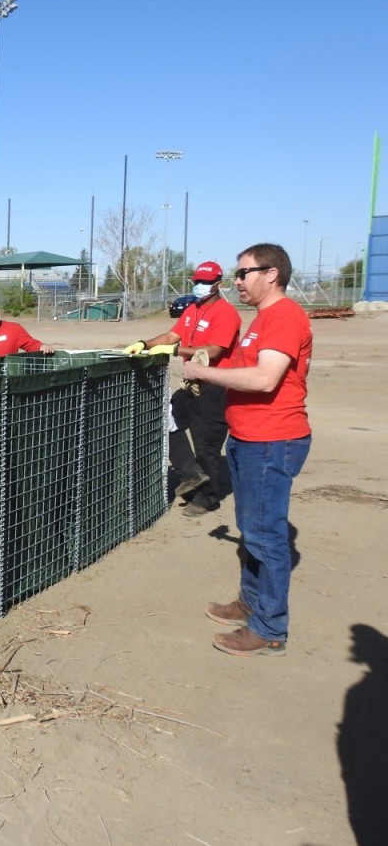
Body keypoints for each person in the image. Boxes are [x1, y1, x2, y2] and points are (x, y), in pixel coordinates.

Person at [182, 243, 312, 658]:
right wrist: (203, 363)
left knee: (265, 536)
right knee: (251, 530)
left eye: (243, 273)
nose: (235, 281)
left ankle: (270, 628)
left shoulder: (285, 317)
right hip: (248, 438)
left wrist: (201, 370)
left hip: (271, 441)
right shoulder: (261, 321)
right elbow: (236, 366)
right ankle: (251, 602)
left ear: (271, 274)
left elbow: (264, 379)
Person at [123, 261, 243, 516]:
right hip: (192, 383)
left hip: (215, 385)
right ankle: (191, 474)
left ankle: (207, 498)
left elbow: (214, 351)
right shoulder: (192, 310)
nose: (200, 286)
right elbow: (171, 336)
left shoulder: (226, 314)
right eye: (197, 282)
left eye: (206, 282)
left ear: (219, 284)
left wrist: (175, 351)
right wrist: (144, 343)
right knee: (165, 418)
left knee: (206, 444)